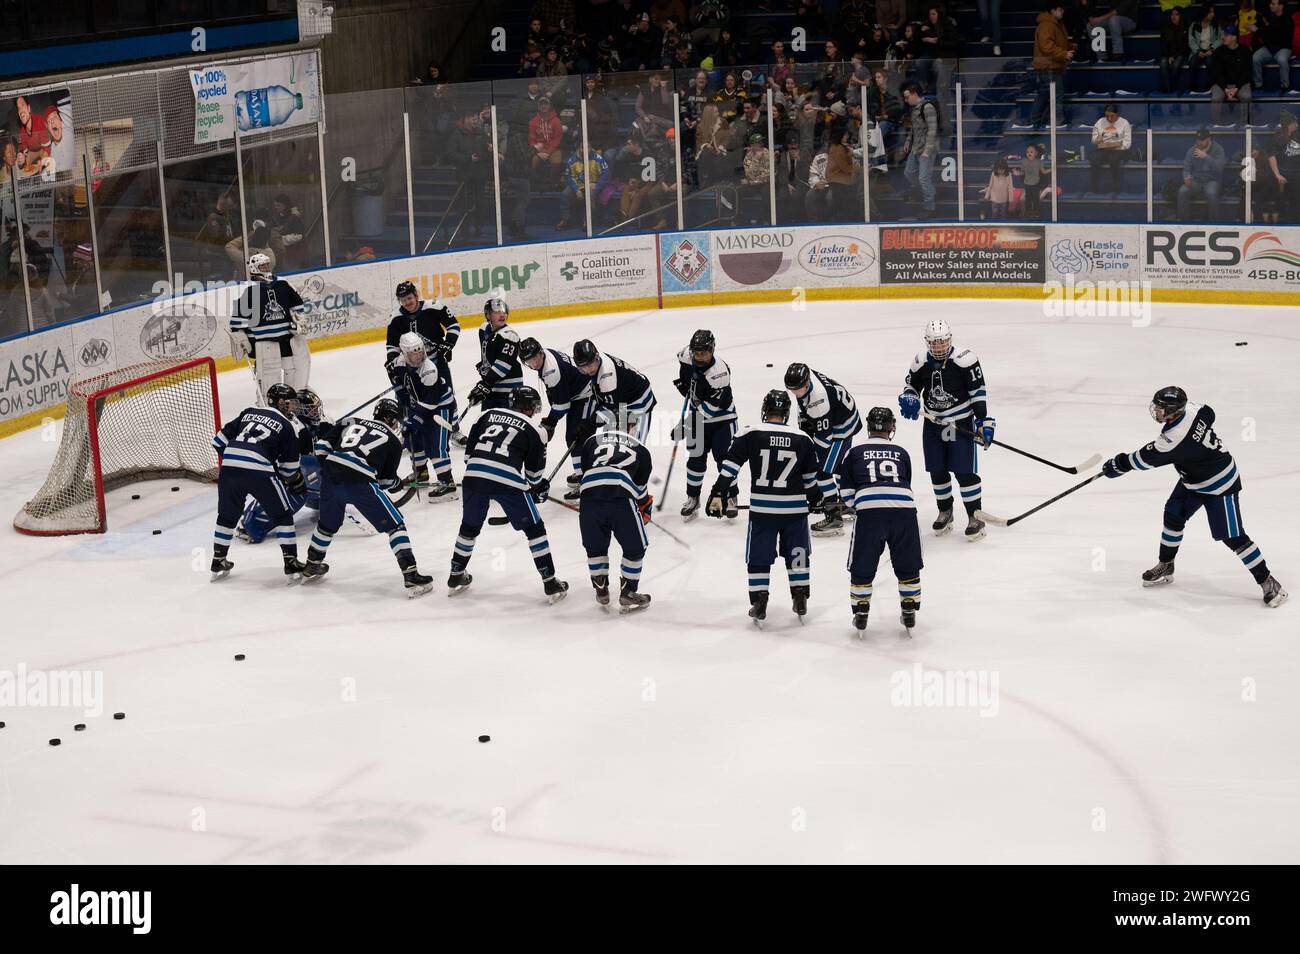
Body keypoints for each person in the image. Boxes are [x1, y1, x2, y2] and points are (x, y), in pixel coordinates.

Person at [1101, 387, 1286, 608]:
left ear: (1171, 411)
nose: (1156, 411)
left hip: (1219, 485)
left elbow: (1144, 459)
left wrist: (1118, 464)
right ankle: (1166, 565)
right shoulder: (1193, 409)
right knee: (1173, 516)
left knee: (1233, 538)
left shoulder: (1174, 439)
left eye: (1160, 408)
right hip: (1193, 479)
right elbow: (1210, 412)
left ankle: (1268, 581)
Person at [708, 389, 820, 627]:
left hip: (763, 509)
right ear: (787, 412)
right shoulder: (803, 439)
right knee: (797, 553)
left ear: (765, 410)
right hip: (795, 510)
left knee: (759, 556)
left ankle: (759, 600)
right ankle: (800, 596)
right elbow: (811, 480)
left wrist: (718, 491)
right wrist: (817, 499)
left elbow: (730, 467)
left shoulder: (750, 433)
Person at [300, 399, 434, 596]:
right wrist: (399, 484)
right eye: (395, 420)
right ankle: (411, 575)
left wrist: (333, 468)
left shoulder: (350, 421)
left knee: (326, 526)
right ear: (390, 419)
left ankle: (312, 565)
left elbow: (320, 449)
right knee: (395, 526)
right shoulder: (393, 442)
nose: (396, 424)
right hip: (360, 482)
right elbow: (385, 481)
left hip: (330, 477)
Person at [449, 386, 569, 603]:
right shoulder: (536, 429)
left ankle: (456, 575)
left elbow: (468, 456)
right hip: (507, 481)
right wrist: (538, 488)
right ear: (532, 408)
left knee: (469, 527)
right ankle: (550, 582)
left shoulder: (486, 414)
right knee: (535, 529)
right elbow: (533, 476)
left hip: (473, 476)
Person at [897, 319, 993, 541]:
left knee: (964, 471)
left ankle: (975, 516)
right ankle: (945, 511)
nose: (938, 347)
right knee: (937, 470)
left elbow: (978, 392)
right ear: (927, 342)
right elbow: (910, 387)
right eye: (934, 343)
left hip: (960, 423)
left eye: (942, 342)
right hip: (933, 423)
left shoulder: (965, 360)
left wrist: (982, 421)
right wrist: (909, 398)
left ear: (950, 340)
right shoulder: (920, 361)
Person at [837, 406, 923, 634]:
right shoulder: (901, 452)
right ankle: (909, 607)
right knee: (908, 563)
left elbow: (845, 492)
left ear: (868, 427)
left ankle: (861, 610)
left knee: (862, 564)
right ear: (891, 427)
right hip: (904, 509)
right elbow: (906, 482)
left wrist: (860, 505)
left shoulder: (854, 452)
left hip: (870, 510)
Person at [209, 384, 306, 583]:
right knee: (282, 515)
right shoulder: (288, 427)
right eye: (289, 403)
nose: (293, 408)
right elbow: (289, 470)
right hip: (260, 470)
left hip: (229, 468)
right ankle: (291, 562)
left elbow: (218, 441)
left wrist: (236, 459)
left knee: (227, 516)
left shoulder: (248, 413)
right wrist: (293, 480)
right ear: (279, 403)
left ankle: (218, 559)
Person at [577, 424, 654, 612]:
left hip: (588, 497)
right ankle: (628, 592)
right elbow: (640, 491)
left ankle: (601, 590)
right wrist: (645, 506)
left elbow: (585, 473)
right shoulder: (641, 449)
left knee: (595, 548)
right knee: (636, 547)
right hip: (621, 497)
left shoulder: (591, 441)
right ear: (632, 428)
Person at [237, 387, 326, 544]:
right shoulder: (291, 427)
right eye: (311, 410)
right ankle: (253, 524)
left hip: (277, 470)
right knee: (296, 492)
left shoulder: (307, 426)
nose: (315, 413)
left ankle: (322, 499)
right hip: (271, 472)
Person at [784, 362, 862, 536]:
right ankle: (849, 504)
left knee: (823, 472)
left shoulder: (818, 401)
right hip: (837, 417)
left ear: (806, 382)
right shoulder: (806, 378)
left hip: (841, 428)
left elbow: (824, 440)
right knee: (838, 466)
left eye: (798, 389)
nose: (795, 393)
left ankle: (833, 515)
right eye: (792, 389)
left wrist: (808, 456)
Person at [519, 336, 595, 499]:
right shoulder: (545, 358)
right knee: (576, 438)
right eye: (529, 361)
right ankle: (585, 472)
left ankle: (586, 483)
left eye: (535, 358)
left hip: (586, 395)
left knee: (576, 438)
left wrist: (551, 422)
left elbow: (563, 405)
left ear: (540, 352)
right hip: (576, 395)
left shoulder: (551, 370)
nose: (534, 363)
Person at [673, 329, 738, 520]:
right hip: (697, 413)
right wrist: (687, 383)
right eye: (696, 353)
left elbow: (710, 410)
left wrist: (685, 426)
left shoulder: (719, 374)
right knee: (695, 460)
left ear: (712, 350)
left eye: (704, 353)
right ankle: (693, 497)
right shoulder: (686, 355)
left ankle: (731, 496)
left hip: (722, 419)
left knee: (725, 461)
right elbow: (682, 363)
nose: (699, 357)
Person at [229, 252, 309, 397]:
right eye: (262, 265)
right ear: (254, 268)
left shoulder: (282, 283)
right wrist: (241, 336)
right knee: (269, 374)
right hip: (263, 341)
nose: (266, 267)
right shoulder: (248, 289)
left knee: (292, 369)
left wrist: (299, 319)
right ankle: (268, 401)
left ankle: (292, 400)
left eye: (267, 264)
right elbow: (237, 318)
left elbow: (297, 305)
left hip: (286, 337)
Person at [390, 333, 458, 502]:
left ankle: (447, 484)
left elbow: (431, 401)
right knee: (414, 439)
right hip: (420, 404)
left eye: (420, 352)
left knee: (436, 445)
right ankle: (421, 473)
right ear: (404, 354)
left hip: (440, 408)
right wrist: (400, 391)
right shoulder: (398, 362)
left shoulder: (429, 369)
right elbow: (393, 374)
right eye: (413, 354)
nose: (418, 356)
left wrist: (415, 420)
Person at [574, 339, 657, 442]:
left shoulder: (607, 374)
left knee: (634, 446)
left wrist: (590, 424)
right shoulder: (597, 365)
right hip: (621, 402)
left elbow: (610, 408)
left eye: (590, 365)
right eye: (583, 367)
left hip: (639, 401)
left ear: (597, 357)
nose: (588, 370)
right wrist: (589, 424)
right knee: (616, 445)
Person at [469, 295, 524, 410]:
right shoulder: (483, 329)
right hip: (492, 387)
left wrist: (485, 384)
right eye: (497, 312)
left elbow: (502, 366)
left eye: (503, 312)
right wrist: (484, 367)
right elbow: (486, 351)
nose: (502, 315)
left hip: (509, 390)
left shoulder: (510, 336)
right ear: (488, 315)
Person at [1030, 3, 1073, 129]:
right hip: (1049, 67)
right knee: (1056, 94)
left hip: (1048, 66)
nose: (1062, 12)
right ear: (1052, 10)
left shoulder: (1054, 23)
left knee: (1043, 94)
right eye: (1060, 9)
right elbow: (1047, 47)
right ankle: (1056, 121)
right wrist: (1064, 53)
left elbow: (1054, 44)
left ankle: (1035, 119)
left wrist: (1068, 48)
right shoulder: (1047, 25)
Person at [900, 82, 939, 219]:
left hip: (926, 149)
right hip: (916, 148)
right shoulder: (915, 109)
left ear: (914, 94)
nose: (906, 100)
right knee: (908, 173)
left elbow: (932, 130)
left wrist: (927, 150)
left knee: (924, 178)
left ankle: (930, 207)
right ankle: (926, 191)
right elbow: (913, 129)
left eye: (907, 97)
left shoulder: (927, 108)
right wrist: (907, 142)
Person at [1178, 127, 1226, 220]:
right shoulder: (1192, 150)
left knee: (1211, 192)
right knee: (1182, 191)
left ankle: (1214, 222)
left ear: (1208, 139)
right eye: (1198, 140)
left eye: (1202, 140)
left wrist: (1206, 157)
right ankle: (1183, 221)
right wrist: (1187, 177)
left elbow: (1219, 168)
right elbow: (1186, 168)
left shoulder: (1218, 149)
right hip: (1196, 181)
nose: (1199, 142)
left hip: (1213, 180)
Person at [1210, 25, 1253, 124]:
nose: (1223, 37)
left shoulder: (1245, 51)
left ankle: (1245, 126)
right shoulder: (1218, 51)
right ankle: (1217, 125)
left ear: (1234, 37)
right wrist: (1225, 88)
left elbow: (1247, 72)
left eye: (1226, 35)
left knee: (1246, 97)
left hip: (1240, 84)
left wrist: (1236, 88)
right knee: (1216, 98)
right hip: (1222, 84)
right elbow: (1217, 73)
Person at [1089, 103, 1132, 194]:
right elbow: (1093, 139)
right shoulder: (1100, 122)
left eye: (1112, 116)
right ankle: (1095, 186)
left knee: (1113, 159)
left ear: (1117, 114)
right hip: (1103, 148)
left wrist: (1117, 145)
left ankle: (1116, 186)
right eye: (1107, 116)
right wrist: (1097, 139)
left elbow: (1127, 143)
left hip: (1119, 150)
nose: (1109, 118)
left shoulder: (1124, 123)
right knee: (1095, 158)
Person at [1253, 0, 1292, 91]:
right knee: (1255, 58)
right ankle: (1259, 85)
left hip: (1283, 48)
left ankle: (1285, 86)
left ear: (1281, 6)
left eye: (1273, 4)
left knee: (1282, 60)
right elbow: (1267, 37)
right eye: (1270, 3)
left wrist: (1259, 31)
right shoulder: (1270, 17)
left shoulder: (1287, 19)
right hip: (1269, 48)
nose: (1270, 6)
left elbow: (1277, 39)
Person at [528, 97, 565, 188]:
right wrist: (536, 148)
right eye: (541, 104)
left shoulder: (556, 121)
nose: (543, 106)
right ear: (538, 106)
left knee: (557, 161)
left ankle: (553, 184)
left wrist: (548, 152)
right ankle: (533, 185)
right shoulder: (533, 122)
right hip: (539, 149)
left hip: (553, 149)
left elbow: (557, 139)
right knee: (532, 161)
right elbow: (531, 139)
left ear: (550, 106)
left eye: (545, 104)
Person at [1187, 3, 1223, 93]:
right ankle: (1192, 87)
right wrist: (1198, 51)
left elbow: (1221, 39)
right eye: (1210, 12)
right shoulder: (1195, 24)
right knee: (1192, 63)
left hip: (1211, 51)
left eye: (1213, 12)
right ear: (1204, 13)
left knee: (1210, 62)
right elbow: (1191, 40)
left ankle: (1210, 86)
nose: (1213, 14)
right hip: (1198, 51)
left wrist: (1212, 49)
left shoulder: (1215, 24)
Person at [1160, 8, 1191, 93]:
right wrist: (1168, 56)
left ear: (1180, 16)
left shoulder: (1185, 28)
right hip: (1168, 54)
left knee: (1176, 64)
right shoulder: (1166, 28)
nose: (1174, 16)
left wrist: (1174, 56)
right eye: (1172, 14)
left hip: (1180, 53)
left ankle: (1172, 85)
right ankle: (1167, 88)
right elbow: (1162, 45)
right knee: (1163, 62)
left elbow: (1185, 47)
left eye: (1176, 14)